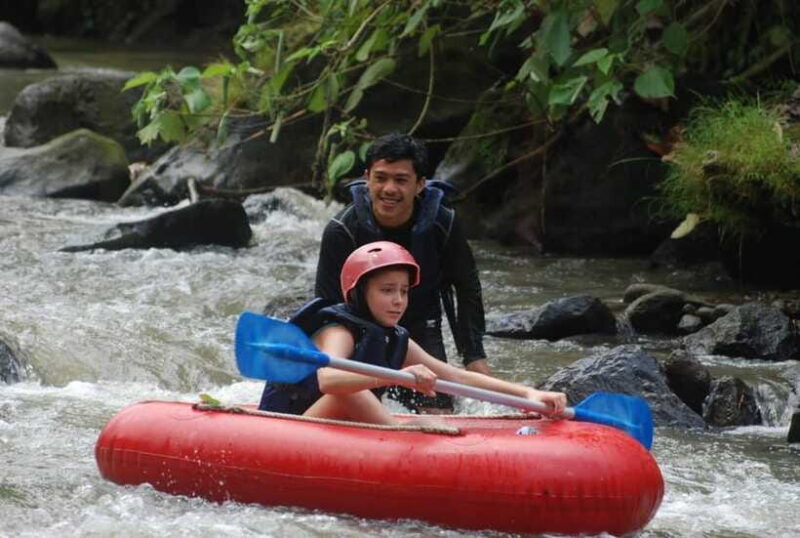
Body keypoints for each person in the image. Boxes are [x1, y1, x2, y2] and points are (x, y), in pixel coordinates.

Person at [259, 241, 567, 424]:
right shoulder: (339, 331)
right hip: (291, 426)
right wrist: (396, 377)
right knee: (349, 390)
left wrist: (528, 394)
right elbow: (330, 381)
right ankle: (398, 431)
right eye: (387, 290)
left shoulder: (395, 338)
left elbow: (455, 376)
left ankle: (395, 429)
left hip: (333, 423)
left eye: (404, 291)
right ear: (359, 293)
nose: (398, 300)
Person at [314, 132, 487, 413]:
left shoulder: (442, 224)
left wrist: (474, 356)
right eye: (380, 178)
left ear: (420, 184)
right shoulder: (342, 230)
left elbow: (467, 288)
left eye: (401, 180)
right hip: (359, 331)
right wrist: (334, 352)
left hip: (421, 324)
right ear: (367, 178)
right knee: (356, 407)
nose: (389, 189)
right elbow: (326, 304)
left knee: (438, 413)